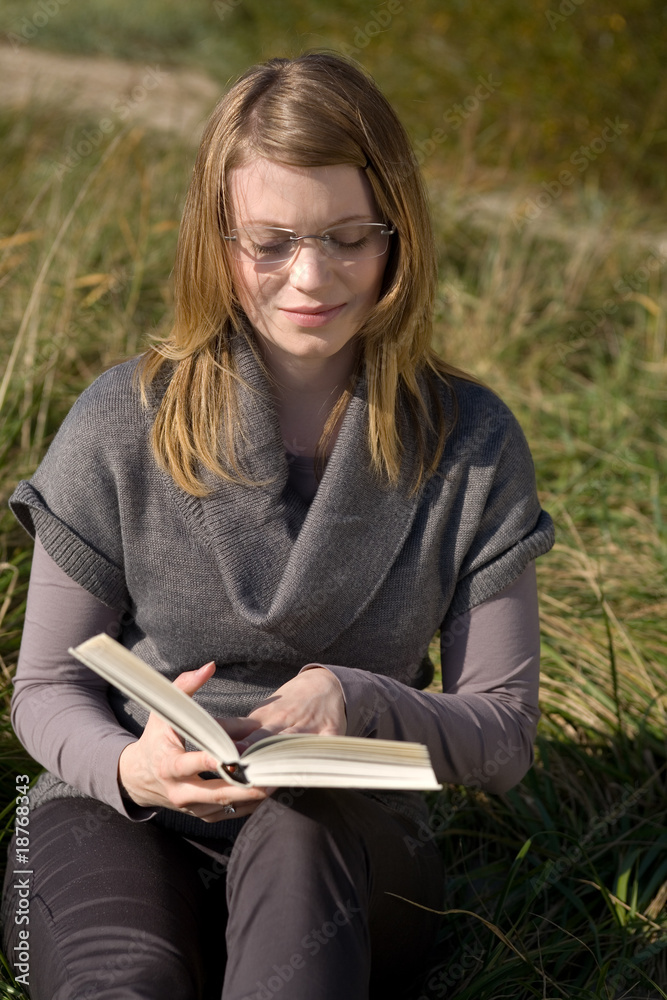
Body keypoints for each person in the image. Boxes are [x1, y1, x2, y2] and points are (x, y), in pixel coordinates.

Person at [1, 52, 554, 1000]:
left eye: (349, 237)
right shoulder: (120, 418)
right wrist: (130, 766)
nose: (311, 276)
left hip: (349, 841)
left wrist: (359, 700)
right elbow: (45, 689)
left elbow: (502, 735)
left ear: (399, 236)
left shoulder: (471, 440)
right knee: (119, 979)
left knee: (300, 858)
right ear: (215, 240)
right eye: (270, 242)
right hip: (117, 807)